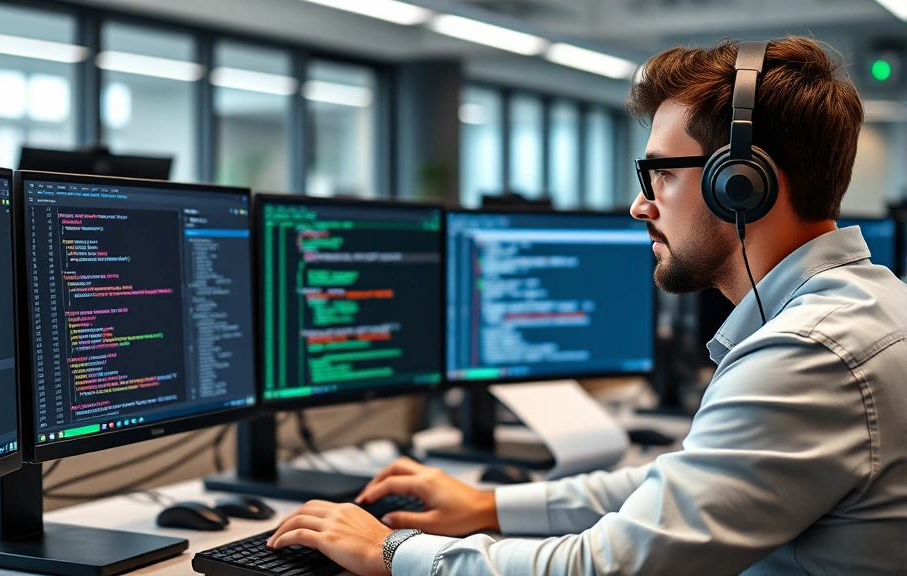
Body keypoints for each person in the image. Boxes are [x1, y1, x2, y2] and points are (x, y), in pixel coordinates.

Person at [266, 36, 907, 575]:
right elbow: (688, 486)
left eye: (661, 173)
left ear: (741, 185)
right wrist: (489, 506)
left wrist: (391, 550)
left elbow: (606, 566)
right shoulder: (863, 306)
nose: (640, 205)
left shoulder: (807, 353)